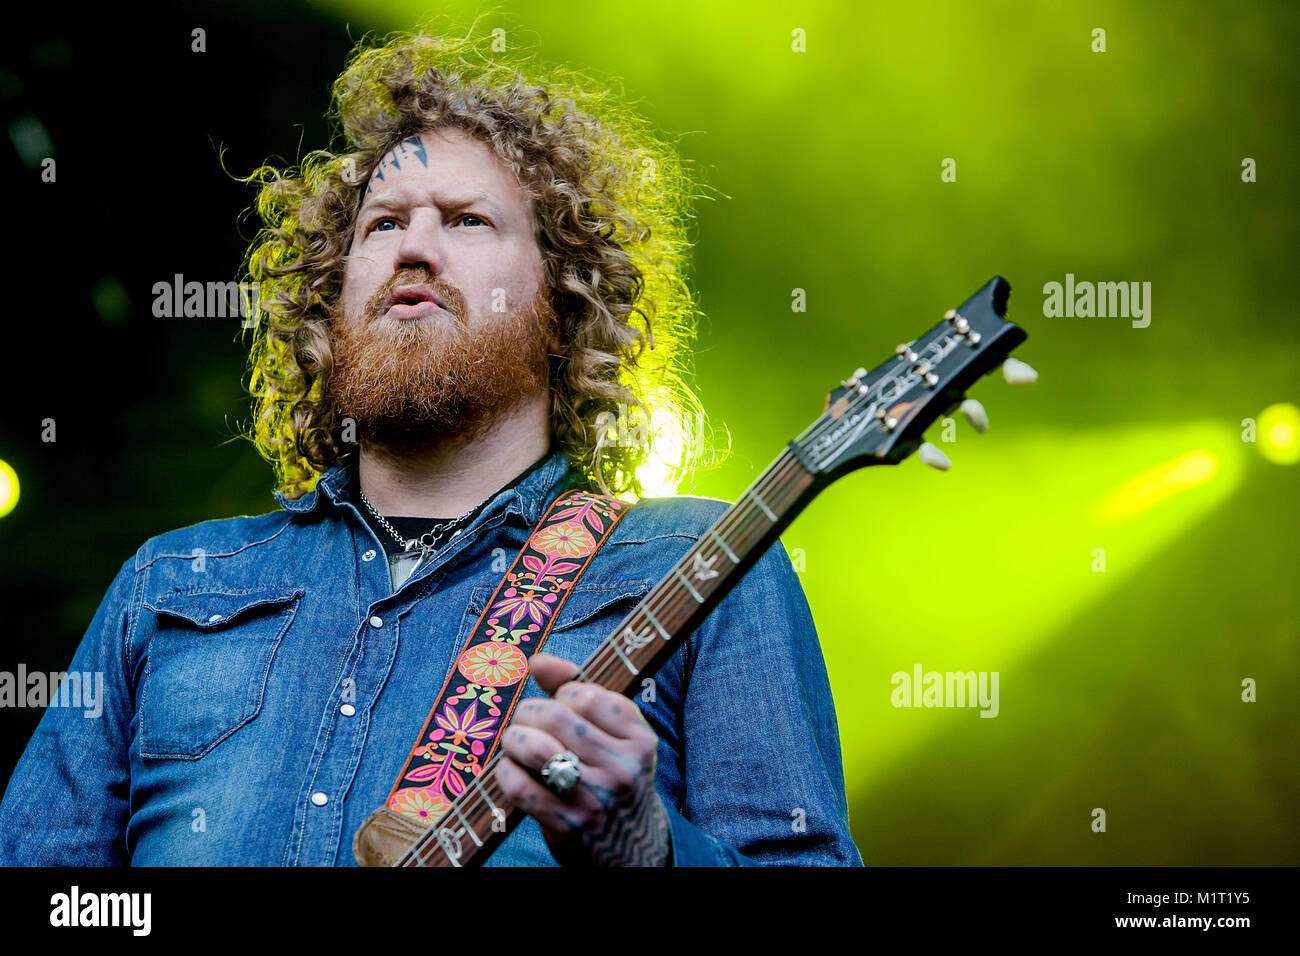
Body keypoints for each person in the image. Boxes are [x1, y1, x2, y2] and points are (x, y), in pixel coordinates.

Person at [0, 22, 863, 867]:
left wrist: (649, 853)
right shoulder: (169, 585)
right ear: (330, 305)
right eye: (381, 226)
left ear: (564, 305)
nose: (413, 245)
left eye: (467, 222)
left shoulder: (699, 565)